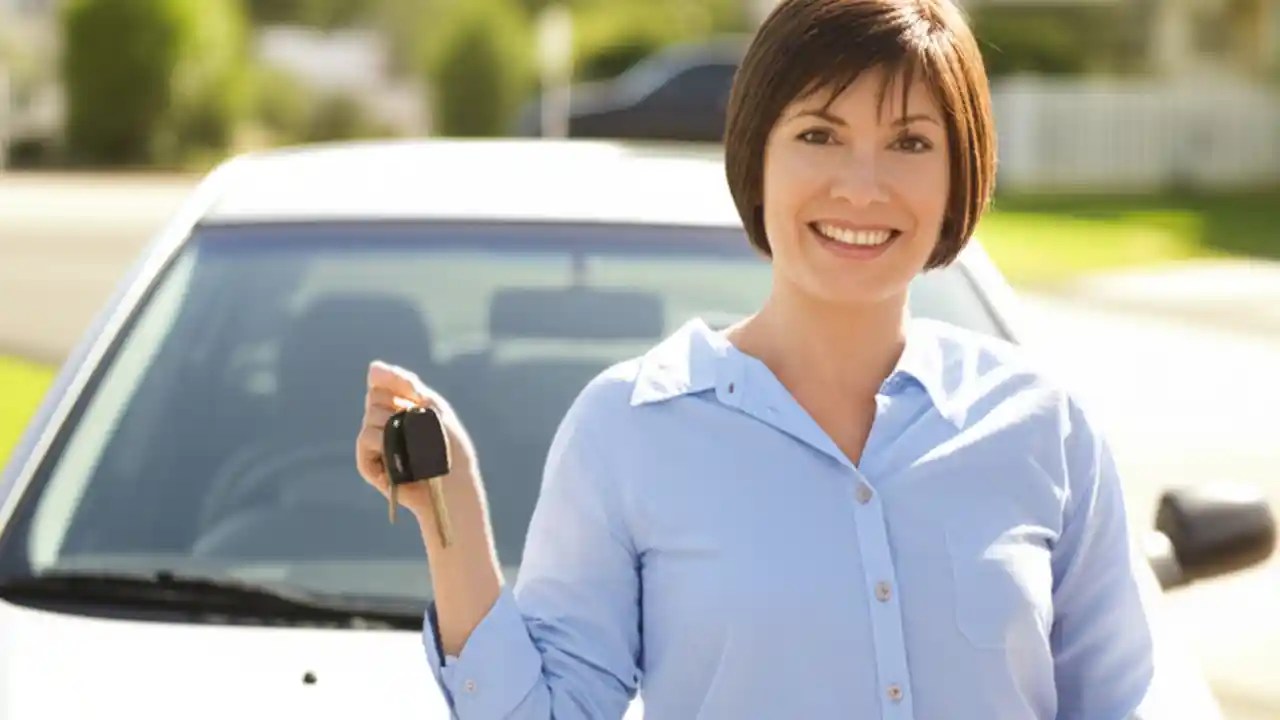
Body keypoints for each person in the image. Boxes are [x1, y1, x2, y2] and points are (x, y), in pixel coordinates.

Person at [355, 0, 1158, 717]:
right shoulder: (628, 429)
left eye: (911, 142)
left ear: (959, 177)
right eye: (820, 135)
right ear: (756, 158)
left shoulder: (1044, 427)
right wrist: (449, 518)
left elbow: (1123, 703)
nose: (863, 186)